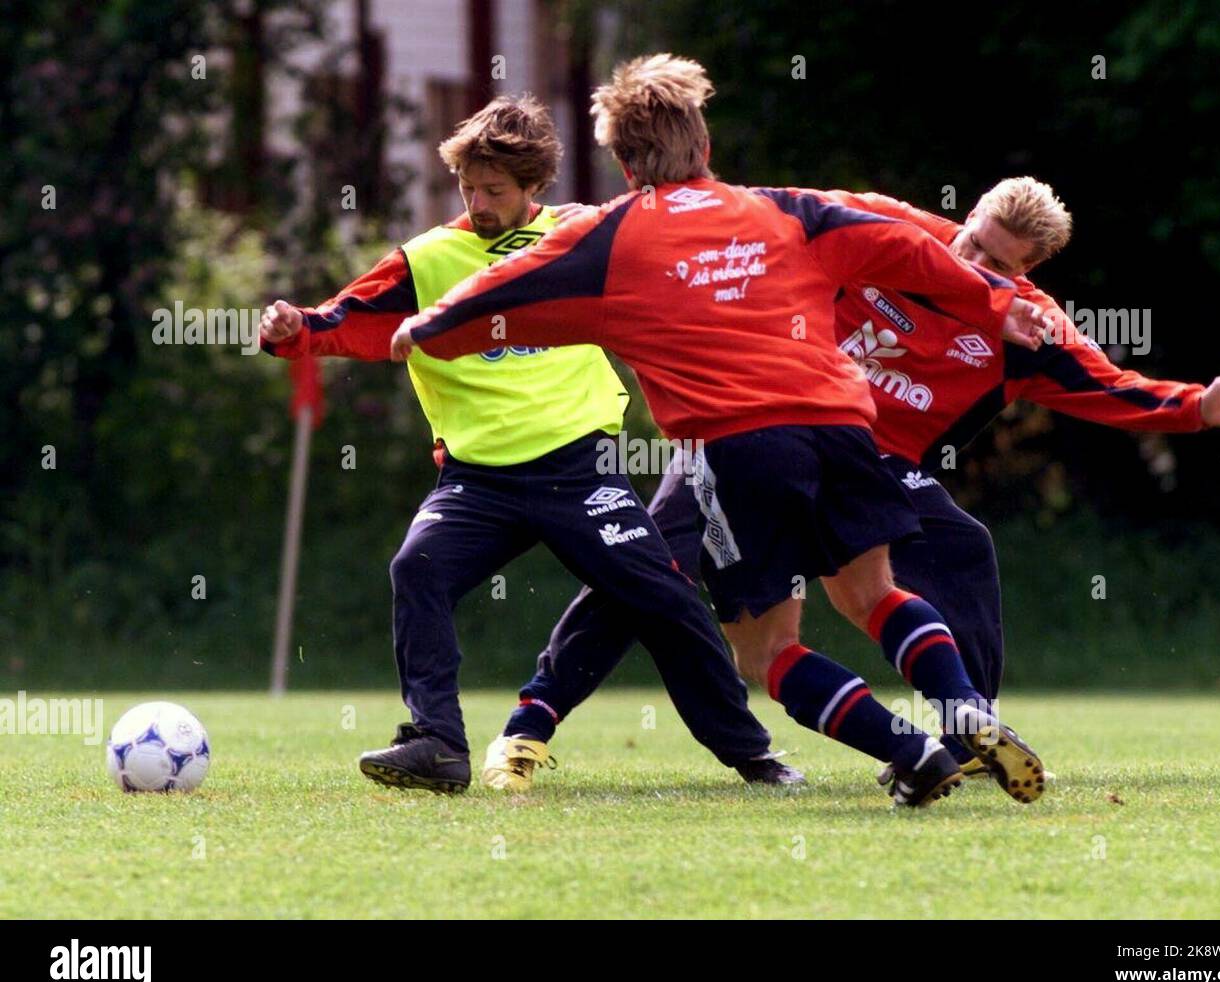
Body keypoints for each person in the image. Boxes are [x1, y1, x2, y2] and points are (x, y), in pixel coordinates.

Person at [392, 54, 1052, 807]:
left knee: (765, 649)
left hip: (739, 444)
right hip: (843, 423)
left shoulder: (612, 233)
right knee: (874, 592)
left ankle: (916, 752)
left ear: (623, 161)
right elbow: (903, 245)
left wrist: (433, 323)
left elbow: (510, 279)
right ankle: (961, 703)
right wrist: (996, 302)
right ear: (704, 147)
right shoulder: (782, 207)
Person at [258, 95, 801, 794]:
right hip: (476, 482)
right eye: (469, 187)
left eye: (495, 190)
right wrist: (291, 327)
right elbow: (342, 318)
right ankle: (438, 743)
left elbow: (677, 268)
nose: (478, 202)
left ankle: (752, 755)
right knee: (417, 567)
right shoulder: (428, 260)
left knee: (664, 598)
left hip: (581, 468)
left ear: (533, 186)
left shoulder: (580, 238)